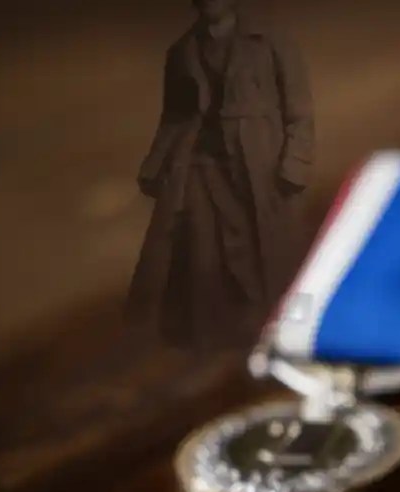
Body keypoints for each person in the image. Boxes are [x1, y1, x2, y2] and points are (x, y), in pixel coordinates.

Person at [127, 0, 314, 349]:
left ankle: (289, 333)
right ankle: (220, 342)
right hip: (203, 166)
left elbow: (299, 109)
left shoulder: (270, 41)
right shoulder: (182, 52)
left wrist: (294, 164)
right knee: (208, 248)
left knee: (274, 250)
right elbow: (175, 118)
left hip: (260, 164)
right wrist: (155, 165)